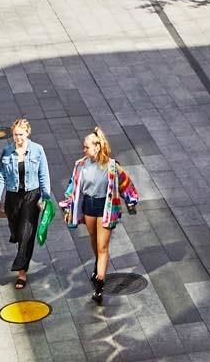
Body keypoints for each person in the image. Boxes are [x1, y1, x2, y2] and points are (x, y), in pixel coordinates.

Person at [61, 125, 139, 303]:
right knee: (94, 239)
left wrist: (131, 201)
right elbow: (72, 187)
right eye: (84, 147)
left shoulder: (112, 166)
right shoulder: (81, 165)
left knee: (102, 246)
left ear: (97, 147)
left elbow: (126, 183)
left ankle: (99, 284)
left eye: (87, 147)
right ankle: (98, 264)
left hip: (106, 206)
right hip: (89, 205)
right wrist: (67, 207)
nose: (84, 149)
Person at [0, 118, 53, 288]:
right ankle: (20, 250)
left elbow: (43, 174)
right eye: (15, 135)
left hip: (32, 195)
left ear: (28, 133)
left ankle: (21, 272)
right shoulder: (7, 151)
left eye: (21, 135)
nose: (18, 138)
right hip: (13, 196)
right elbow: (0, 175)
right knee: (16, 231)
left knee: (26, 233)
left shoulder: (37, 150)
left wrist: (45, 197)